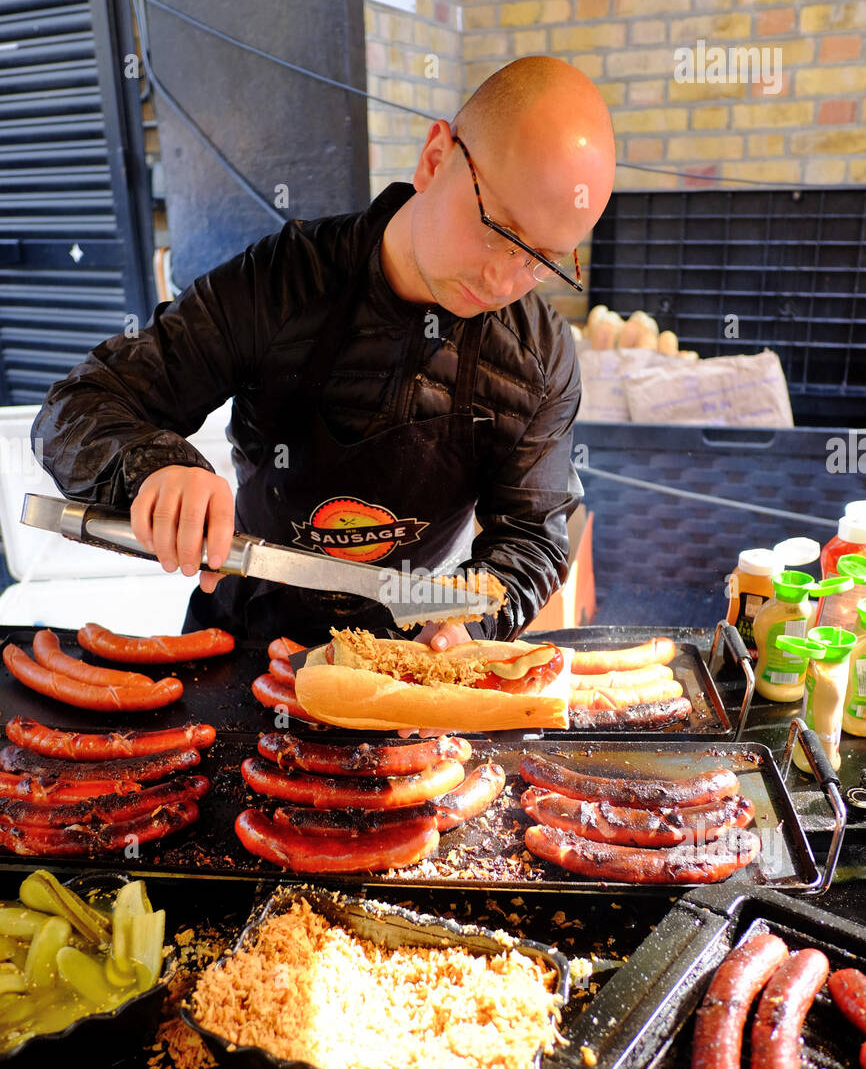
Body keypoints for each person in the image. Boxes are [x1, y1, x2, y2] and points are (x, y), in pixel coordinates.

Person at [32, 56, 615, 651]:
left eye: (541, 259)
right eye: (500, 229)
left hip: (405, 656)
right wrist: (152, 467)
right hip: (243, 641)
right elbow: (74, 408)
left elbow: (531, 534)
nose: (502, 277)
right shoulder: (281, 281)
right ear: (435, 158)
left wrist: (475, 611)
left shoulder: (538, 357)